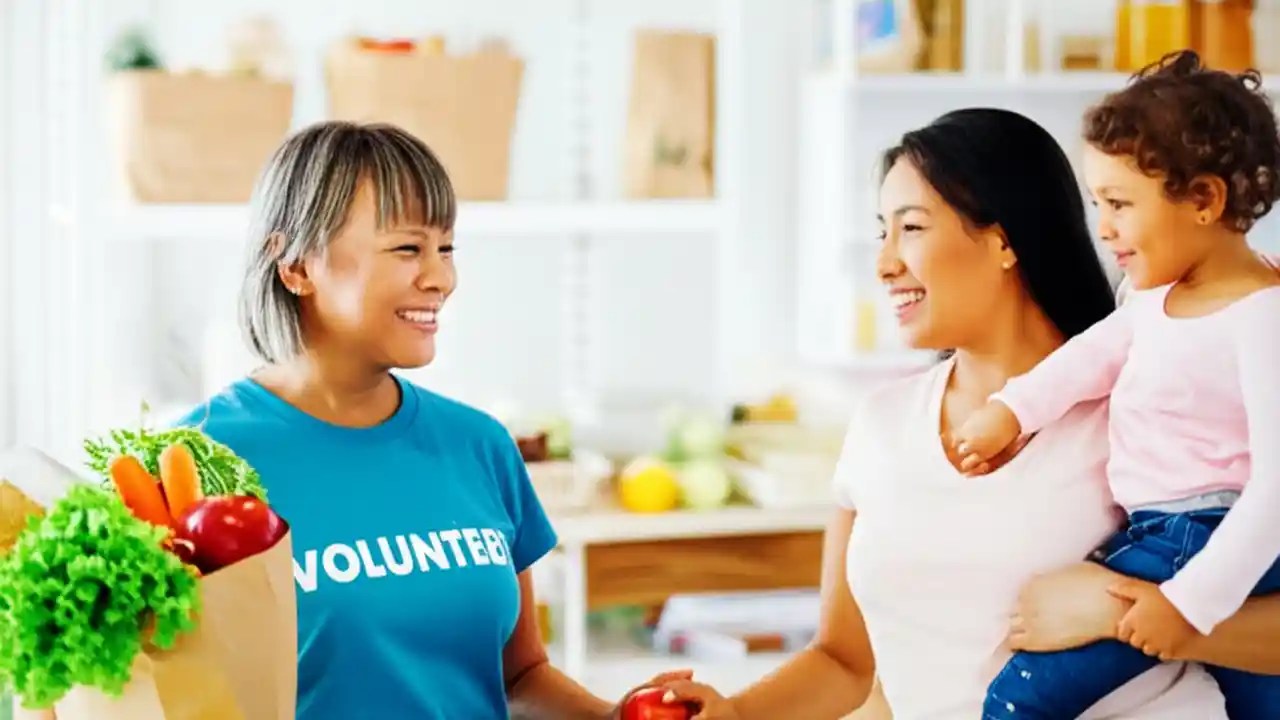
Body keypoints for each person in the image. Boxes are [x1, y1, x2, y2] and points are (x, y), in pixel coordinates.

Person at [653, 106, 1280, 720]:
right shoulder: (881, 424)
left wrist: (1124, 613)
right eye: (883, 231)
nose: (885, 261)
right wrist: (736, 711)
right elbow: (846, 665)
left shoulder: (1147, 415)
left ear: (1004, 239)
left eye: (913, 228)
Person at [143, 121, 677, 720]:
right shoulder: (193, 466)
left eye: (445, 248)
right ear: (295, 265)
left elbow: (521, 677)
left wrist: (616, 717)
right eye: (407, 248)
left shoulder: (479, 445)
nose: (441, 279)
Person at [953, 51, 1280, 719]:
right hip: (1174, 534)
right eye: (1096, 202)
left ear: (1203, 200)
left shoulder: (1262, 317)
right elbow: (1090, 357)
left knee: (1019, 701)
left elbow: (1276, 491)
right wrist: (1013, 411)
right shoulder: (1152, 295)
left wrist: (1184, 607)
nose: (1103, 227)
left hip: (1196, 538)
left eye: (1119, 204)